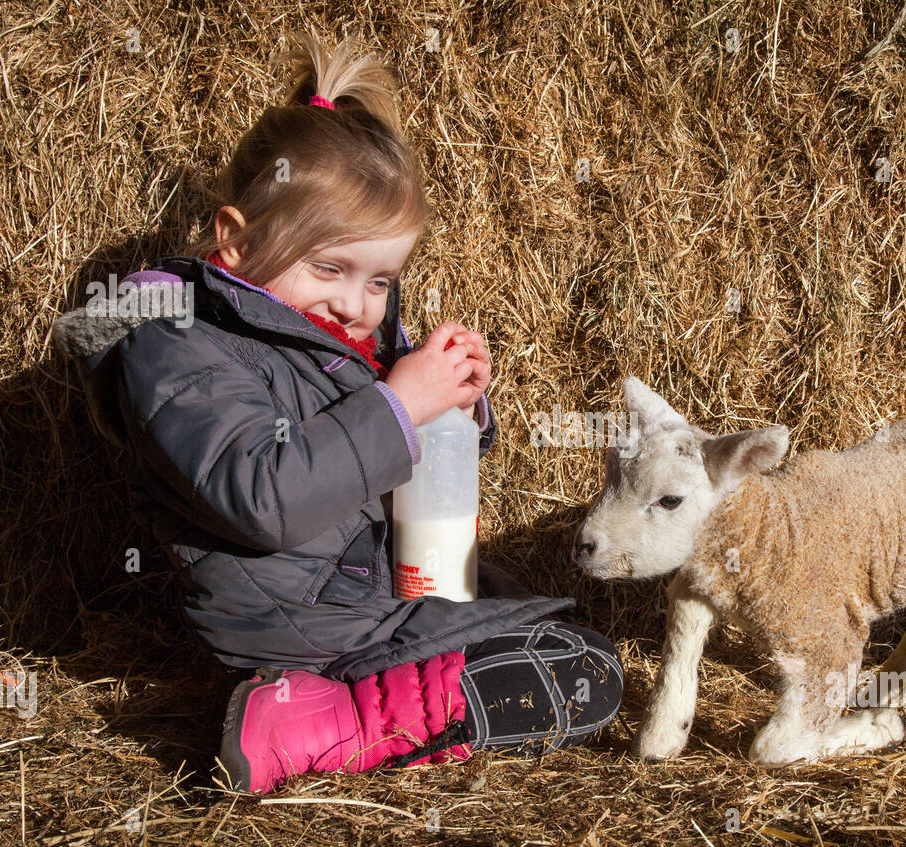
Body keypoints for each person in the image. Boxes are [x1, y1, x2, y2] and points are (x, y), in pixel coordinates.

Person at [52, 30, 622, 794]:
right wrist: (398, 403)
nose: (359, 304)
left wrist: (456, 411)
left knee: (559, 632)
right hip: (303, 627)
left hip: (372, 593)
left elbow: (397, 457)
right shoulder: (178, 343)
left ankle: (340, 706)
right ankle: (314, 727)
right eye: (332, 268)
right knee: (585, 673)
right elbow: (262, 496)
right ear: (234, 240)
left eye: (382, 280)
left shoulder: (340, 333)